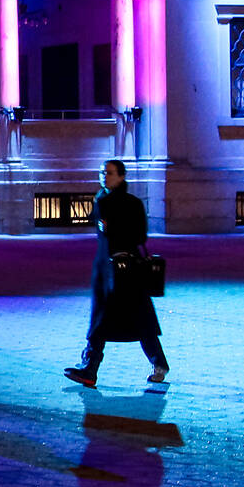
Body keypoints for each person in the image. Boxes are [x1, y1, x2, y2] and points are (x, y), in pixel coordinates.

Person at [65, 159, 168, 389]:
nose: (104, 176)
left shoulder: (109, 201)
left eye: (110, 173)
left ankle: (92, 368)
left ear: (122, 176)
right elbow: (139, 236)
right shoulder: (117, 200)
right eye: (102, 172)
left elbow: (120, 234)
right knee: (133, 318)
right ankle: (92, 368)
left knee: (117, 318)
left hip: (118, 269)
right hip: (117, 268)